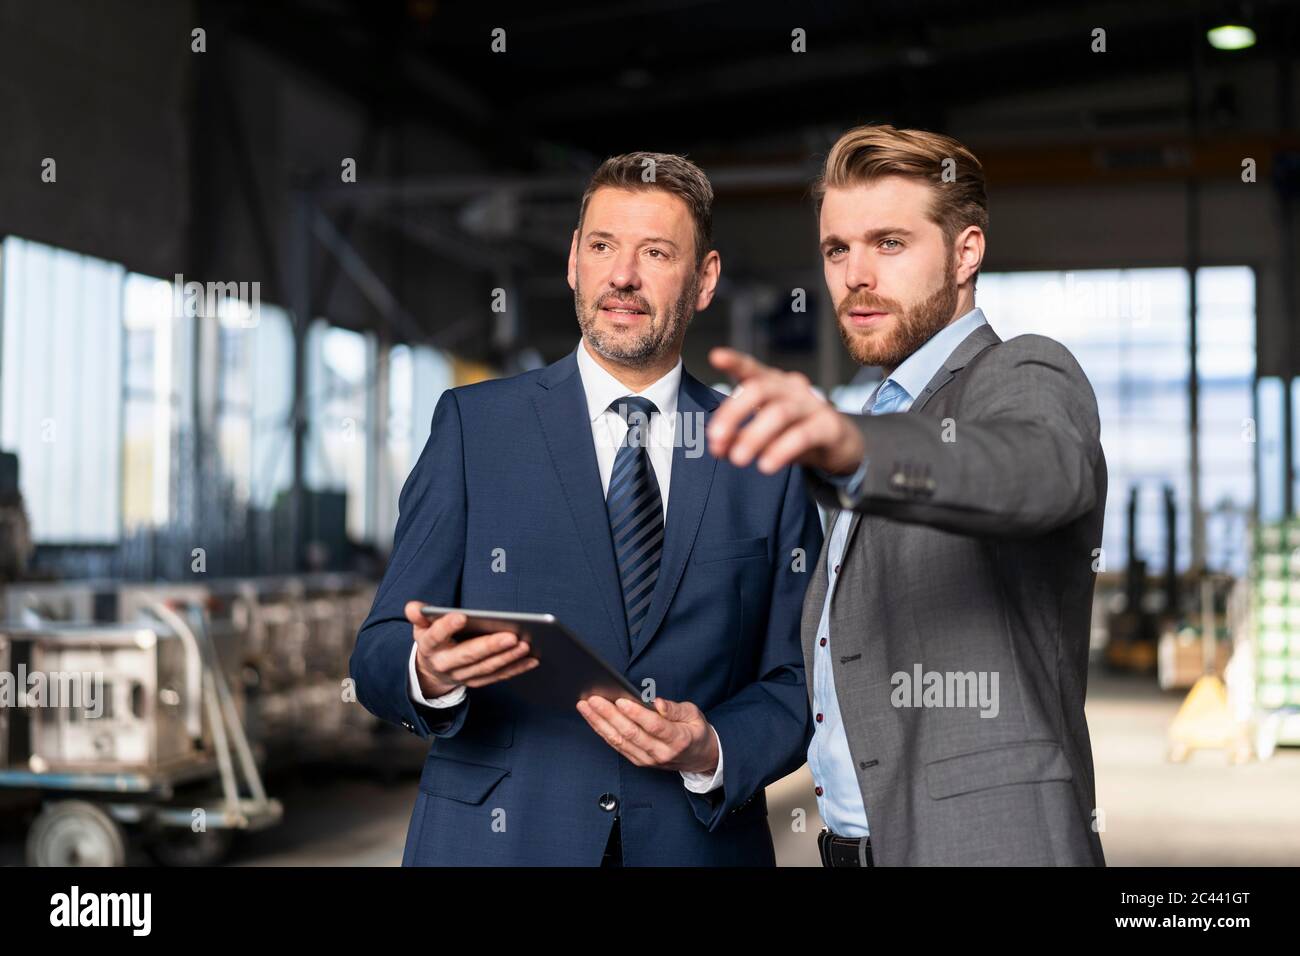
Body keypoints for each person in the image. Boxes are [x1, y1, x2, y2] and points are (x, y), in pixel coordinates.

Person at [350, 152, 822, 866]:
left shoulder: (764, 455)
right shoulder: (476, 429)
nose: (622, 276)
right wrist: (428, 671)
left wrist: (714, 746)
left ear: (705, 280)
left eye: (655, 253)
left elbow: (798, 681)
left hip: (693, 846)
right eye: (602, 246)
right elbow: (378, 649)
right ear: (574, 261)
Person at [707, 124, 1107, 866]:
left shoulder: (1022, 374)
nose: (856, 274)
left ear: (966, 252)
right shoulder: (873, 420)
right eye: (837, 250)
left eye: (889, 243)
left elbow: (1039, 468)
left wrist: (856, 449)